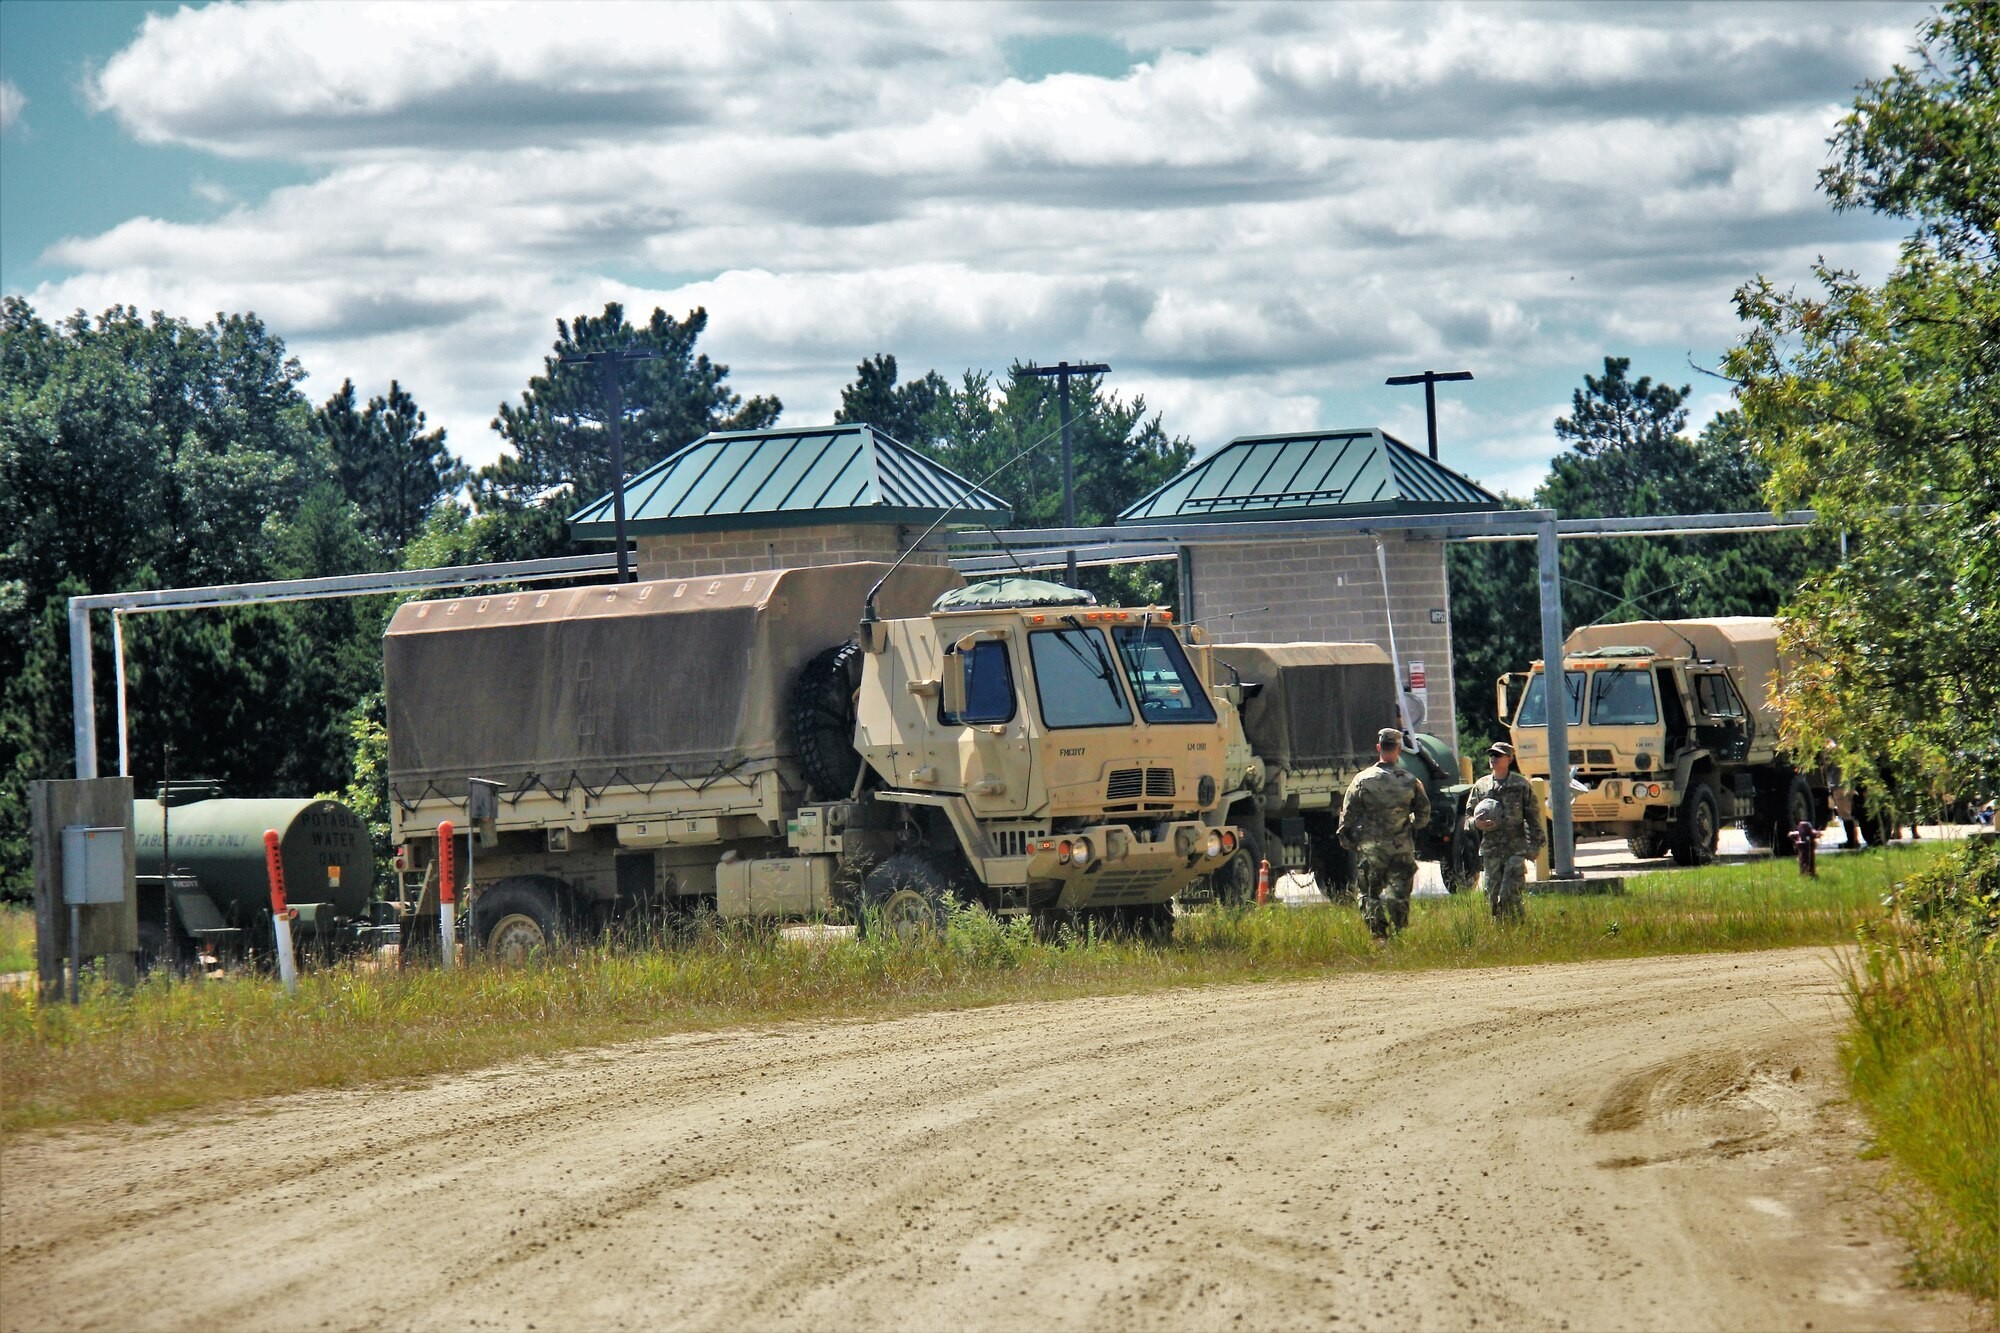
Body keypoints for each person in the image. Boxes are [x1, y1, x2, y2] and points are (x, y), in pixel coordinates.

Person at [1339, 728, 1431, 941]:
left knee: (1370, 895)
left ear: (1379, 747)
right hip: (1401, 850)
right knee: (1399, 895)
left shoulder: (1362, 780)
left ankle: (1379, 937)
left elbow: (1347, 815)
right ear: (1399, 749)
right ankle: (1400, 935)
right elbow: (1424, 816)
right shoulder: (1411, 781)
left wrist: (1350, 841)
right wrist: (1408, 825)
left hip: (1372, 851)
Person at [1463, 741, 1544, 923]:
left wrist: (1536, 844)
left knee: (1509, 894)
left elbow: (1533, 816)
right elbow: (1467, 818)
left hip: (1515, 849)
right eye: (1491, 755)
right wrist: (1476, 824)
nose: (1493, 758)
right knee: (1491, 897)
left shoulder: (1521, 785)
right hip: (1491, 850)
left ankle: (1518, 929)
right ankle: (1498, 933)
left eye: (1498, 755)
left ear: (1509, 759)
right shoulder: (1481, 786)